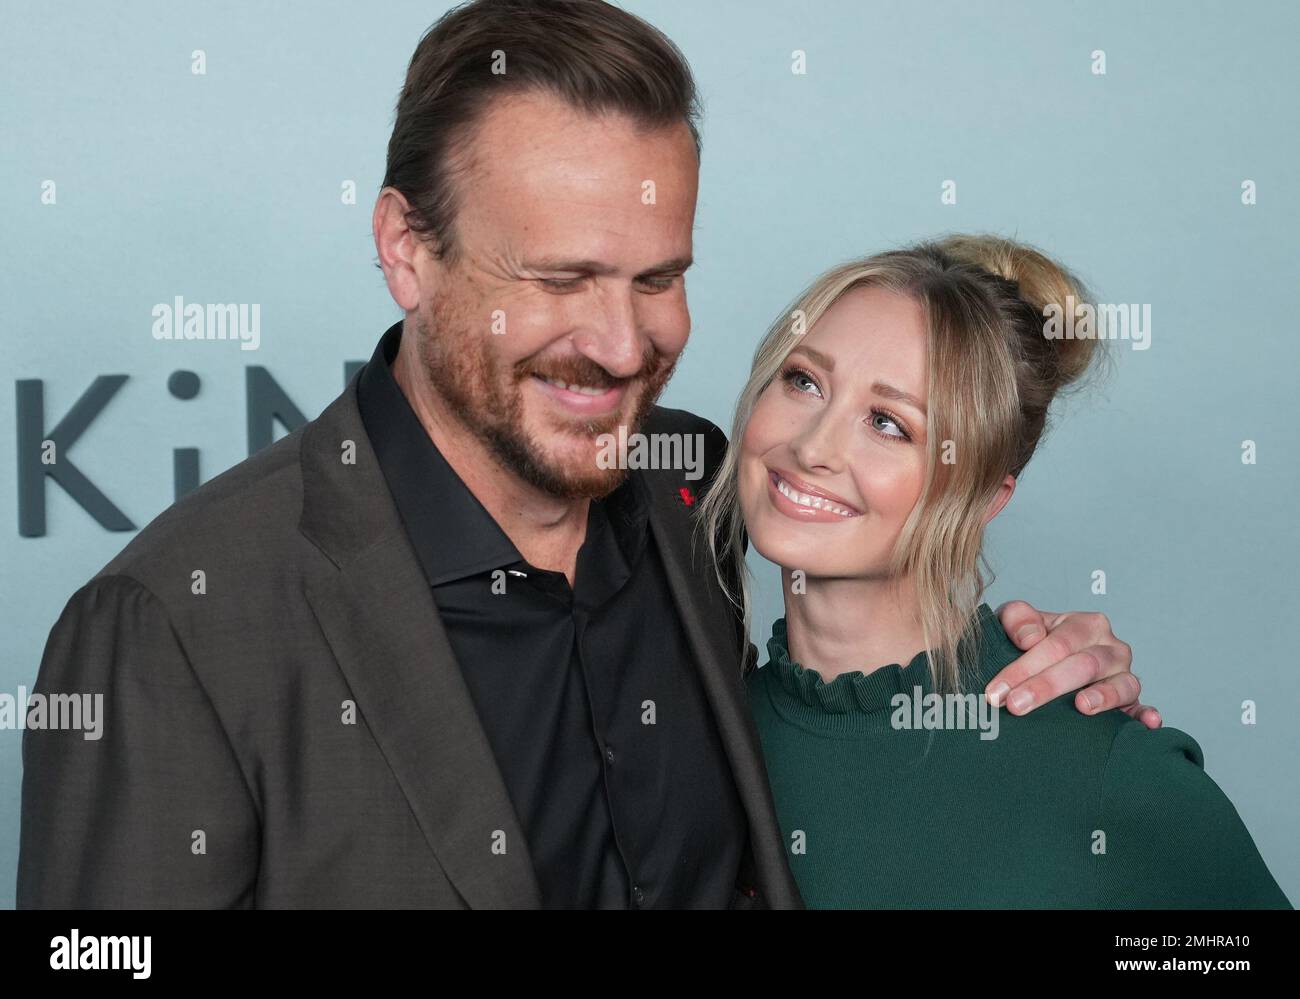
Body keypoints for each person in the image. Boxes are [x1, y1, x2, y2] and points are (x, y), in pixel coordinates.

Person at [18, 1, 1152, 910]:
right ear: (407, 252)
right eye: (560, 280)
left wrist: (1048, 685)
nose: (622, 346)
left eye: (658, 277)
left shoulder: (688, 483)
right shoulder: (177, 622)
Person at [698, 234, 1292, 908]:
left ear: (985, 497)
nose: (811, 446)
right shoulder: (700, 738)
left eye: (889, 422)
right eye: (804, 380)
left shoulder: (1104, 765)